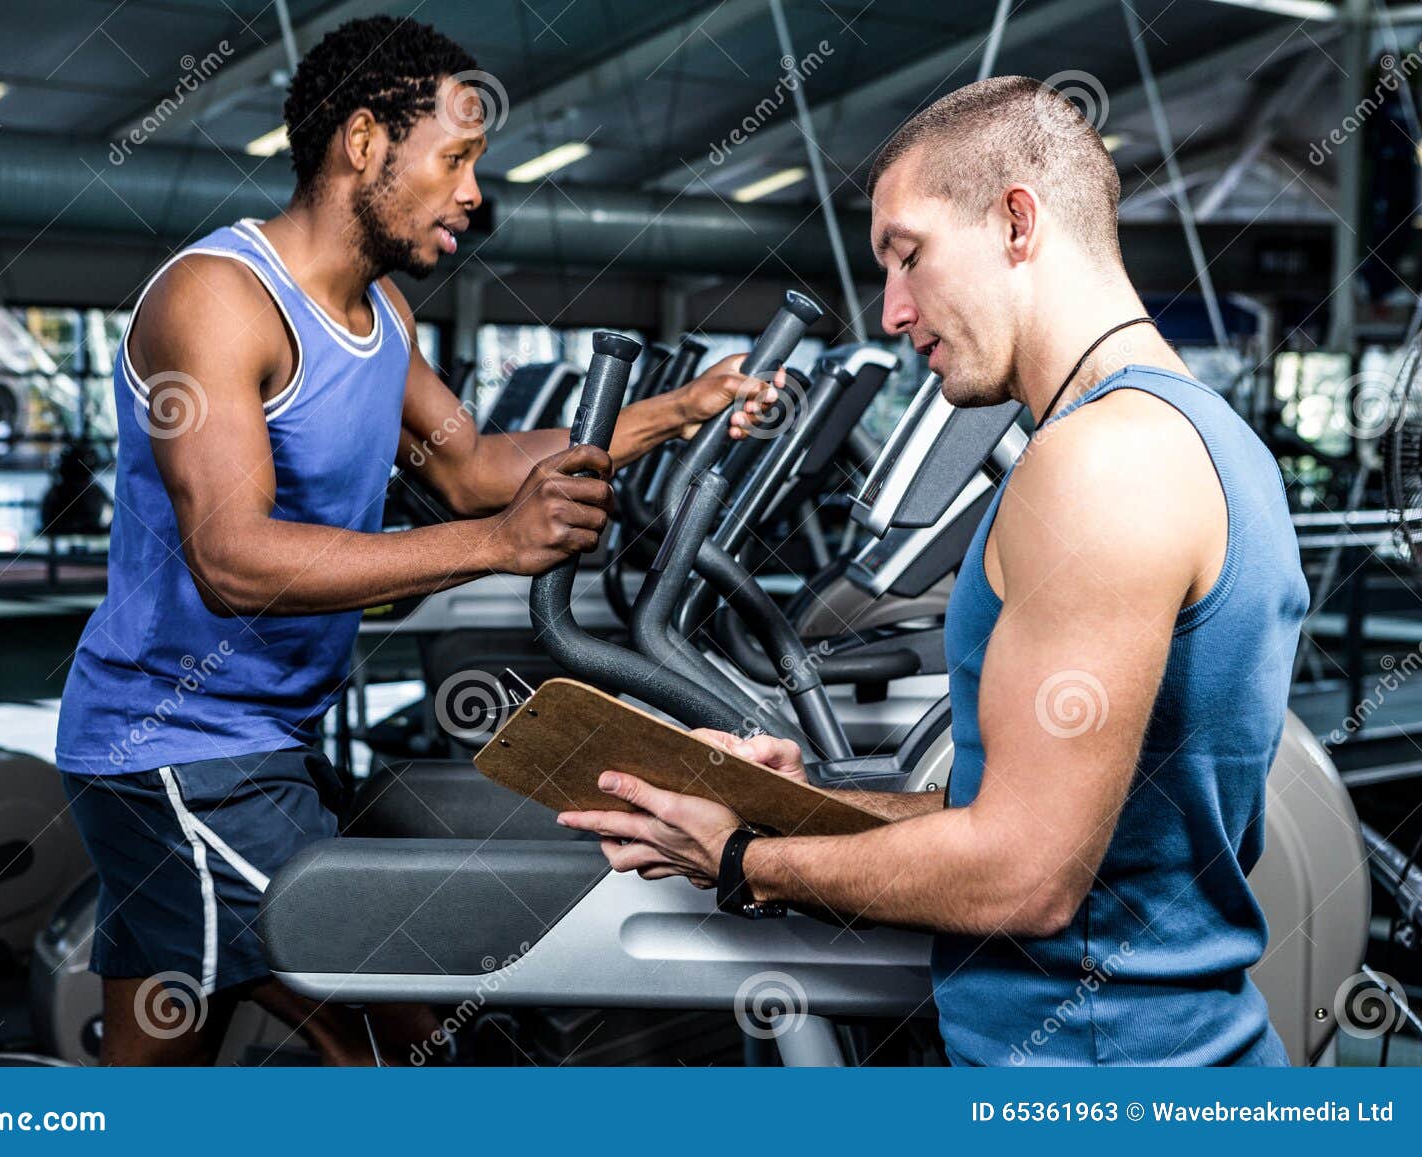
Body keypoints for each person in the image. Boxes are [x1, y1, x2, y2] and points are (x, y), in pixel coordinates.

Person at [54, 15, 781, 1066]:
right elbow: (234, 557)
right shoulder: (218, 298)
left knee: (161, 1049)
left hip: (257, 745)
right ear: (363, 142)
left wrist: (683, 408)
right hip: (174, 748)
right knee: (408, 1030)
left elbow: (471, 464)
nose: (474, 191)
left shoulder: (378, 312)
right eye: (456, 158)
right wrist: (496, 544)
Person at [557, 76, 1310, 1067]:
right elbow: (1015, 818)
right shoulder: (1196, 435)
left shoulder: (1099, 463)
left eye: (907, 255)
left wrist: (742, 859)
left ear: (1015, 222)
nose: (892, 309)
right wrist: (802, 800)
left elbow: (1022, 877)